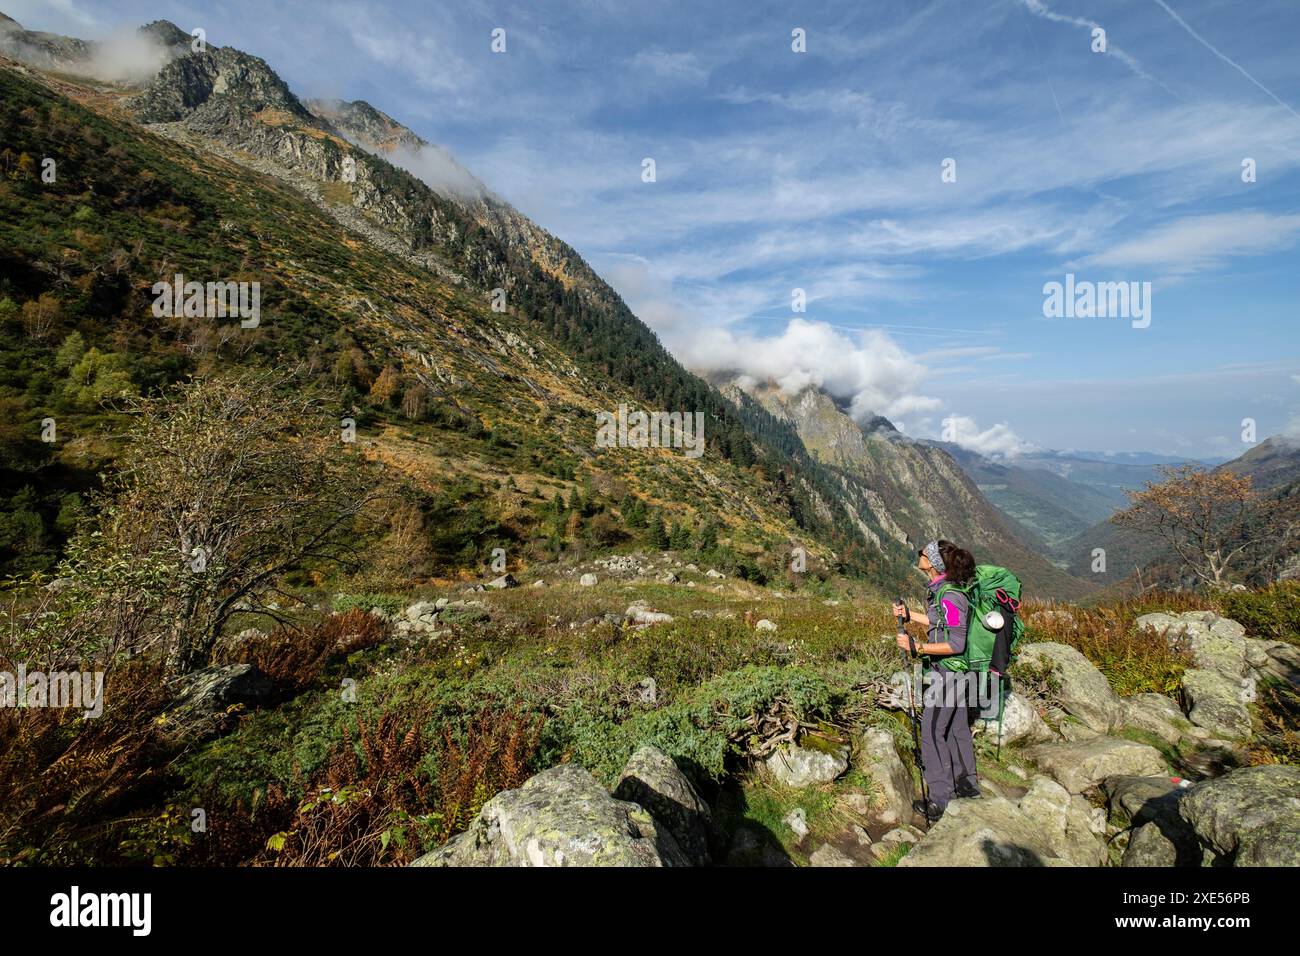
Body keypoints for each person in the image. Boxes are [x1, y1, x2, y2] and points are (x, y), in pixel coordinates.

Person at [893, 539, 981, 823]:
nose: (919, 554)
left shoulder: (950, 596)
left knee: (931, 731)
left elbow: (956, 643)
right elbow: (939, 623)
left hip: (950, 675)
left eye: (923, 552)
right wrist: (910, 616)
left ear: (931, 562)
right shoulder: (943, 591)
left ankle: (941, 800)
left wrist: (917, 648)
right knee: (956, 729)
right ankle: (967, 786)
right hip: (957, 675)